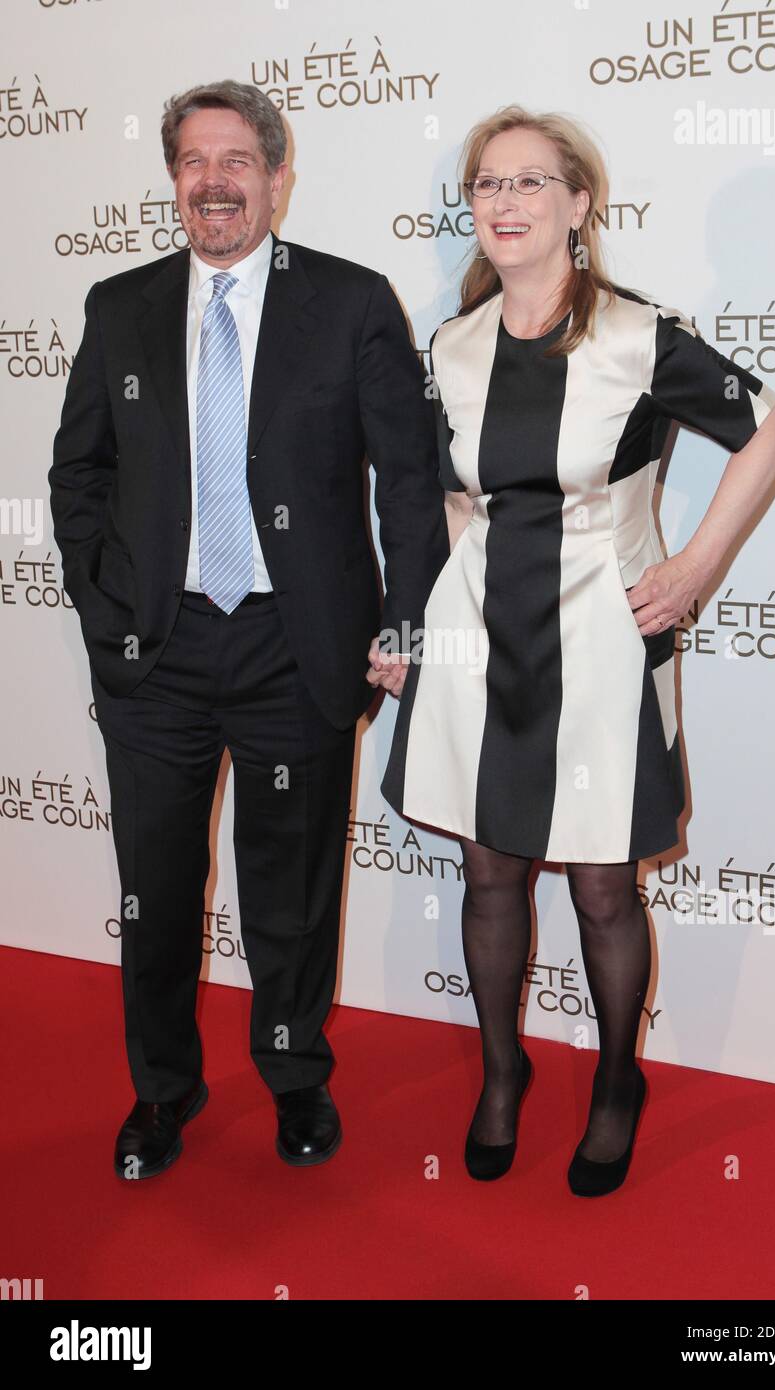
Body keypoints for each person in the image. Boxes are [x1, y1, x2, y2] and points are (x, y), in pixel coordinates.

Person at [379, 105, 775, 1195]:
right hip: (480, 638)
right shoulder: (452, 345)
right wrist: (412, 627)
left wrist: (695, 565)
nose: (505, 201)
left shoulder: (637, 334)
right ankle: (501, 1072)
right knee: (488, 870)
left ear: (579, 203)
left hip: (604, 643)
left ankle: (617, 1081)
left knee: (605, 885)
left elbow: (773, 428)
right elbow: (451, 505)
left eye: (530, 181)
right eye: (487, 183)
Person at [49, 79, 449, 1179]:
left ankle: (293, 1073)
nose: (214, 181)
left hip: (296, 647)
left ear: (277, 177)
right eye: (194, 161)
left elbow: (408, 482)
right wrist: (106, 609)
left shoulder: (351, 302)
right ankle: (162, 1091)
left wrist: (404, 622)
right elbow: (78, 474)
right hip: (158, 655)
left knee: (292, 890)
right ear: (173, 180)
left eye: (236, 160)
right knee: (156, 893)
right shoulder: (120, 306)